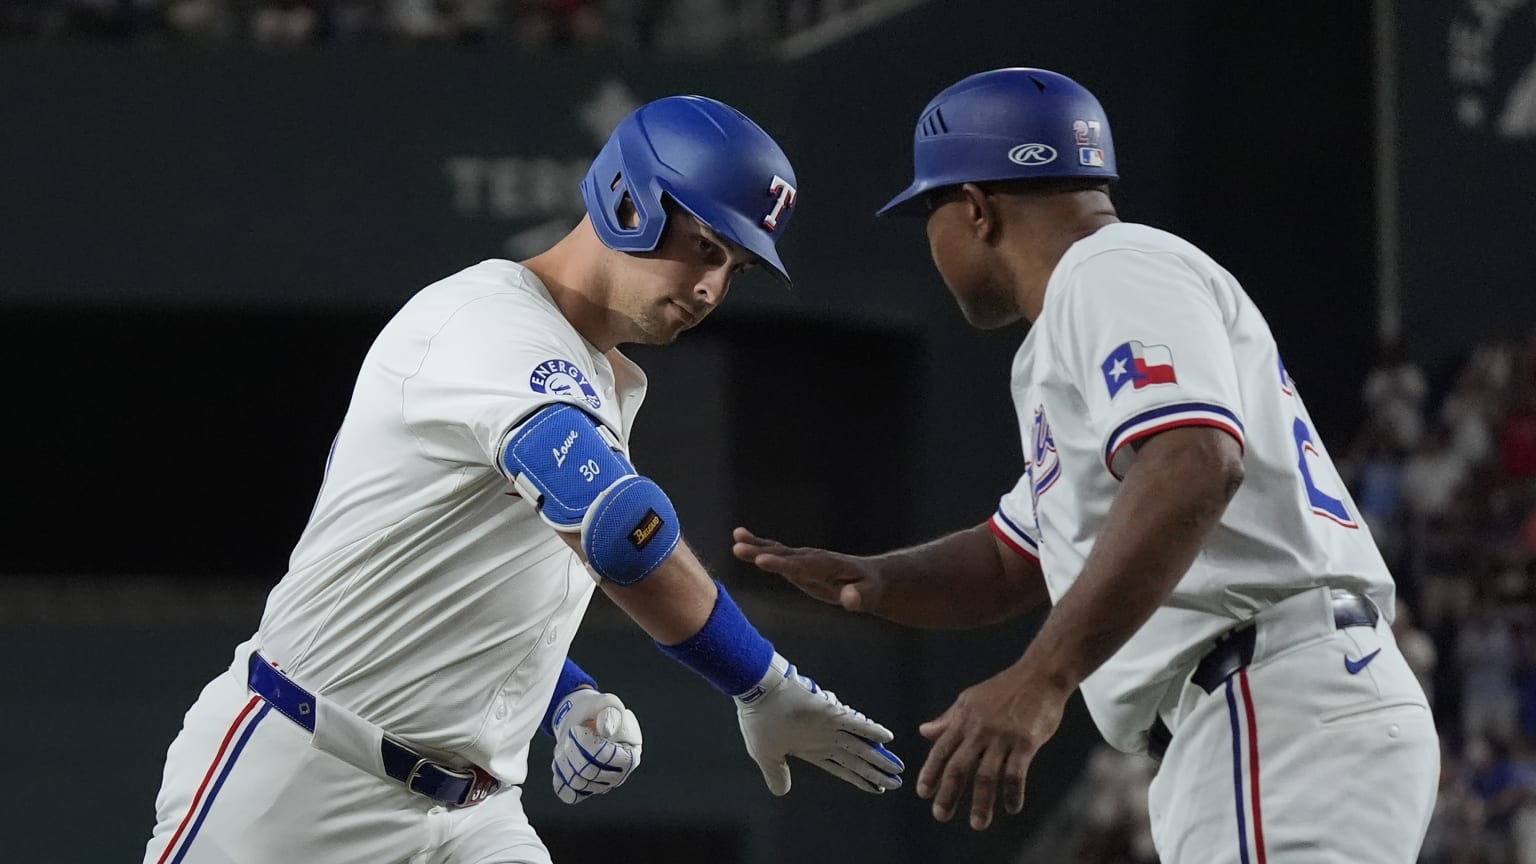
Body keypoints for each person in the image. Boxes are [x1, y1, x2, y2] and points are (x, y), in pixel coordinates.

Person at [144, 94, 904, 864]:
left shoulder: (594, 373)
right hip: (304, 781)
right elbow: (621, 531)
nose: (713, 288)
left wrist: (560, 692)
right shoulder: (491, 326)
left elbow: (458, 579)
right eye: (707, 247)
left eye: (734, 269)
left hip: (473, 815)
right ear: (627, 198)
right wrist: (762, 682)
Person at [734, 67, 1438, 861]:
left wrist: (1041, 680)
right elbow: (1015, 561)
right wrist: (879, 579)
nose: (932, 239)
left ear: (975, 206)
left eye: (929, 211)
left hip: (1272, 699)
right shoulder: (1094, 306)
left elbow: (1195, 461)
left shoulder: (1108, 270)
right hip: (1271, 710)